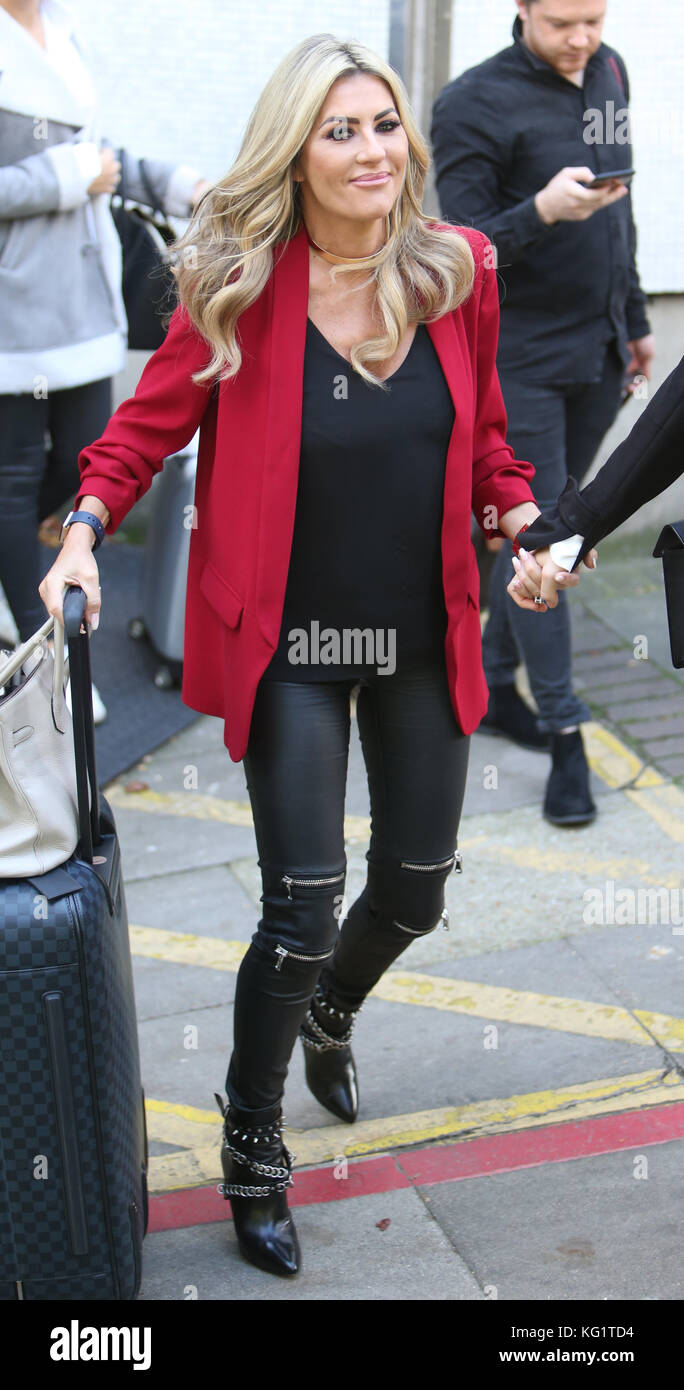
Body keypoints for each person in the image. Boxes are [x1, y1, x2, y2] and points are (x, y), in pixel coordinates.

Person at [40, 34, 543, 1280]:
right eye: (340, 130)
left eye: (384, 124)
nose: (373, 150)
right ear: (295, 154)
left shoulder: (457, 270)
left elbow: (487, 440)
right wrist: (86, 532)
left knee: (416, 890)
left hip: (422, 631)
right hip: (294, 648)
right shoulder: (238, 286)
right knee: (301, 907)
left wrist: (522, 518)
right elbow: (143, 427)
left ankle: (332, 1011)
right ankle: (254, 1144)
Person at [431, 0, 654, 826]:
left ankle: (495, 682)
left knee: (551, 524)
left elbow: (620, 206)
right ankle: (566, 734)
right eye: (562, 22)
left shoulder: (609, 70)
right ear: (520, 9)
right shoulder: (471, 103)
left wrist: (634, 318)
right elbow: (455, 252)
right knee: (554, 538)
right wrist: (540, 212)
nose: (582, 38)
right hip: (518, 364)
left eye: (594, 18)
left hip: (599, 348)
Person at [0, 0, 209, 720]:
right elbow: (80, 165)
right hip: (16, 311)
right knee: (15, 478)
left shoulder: (59, 30)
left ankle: (16, 590)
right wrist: (66, 175)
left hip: (83, 308)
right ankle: (39, 654)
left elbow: (102, 155)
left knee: (81, 460)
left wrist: (184, 187)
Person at [505, 353, 684, 604]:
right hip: (532, 362)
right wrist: (574, 527)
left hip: (595, 358)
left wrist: (576, 526)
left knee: (537, 563)